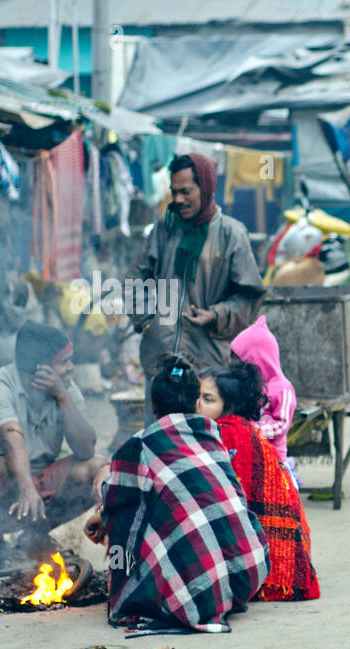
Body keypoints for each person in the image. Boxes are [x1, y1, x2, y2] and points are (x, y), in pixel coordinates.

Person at [93, 355, 268, 633]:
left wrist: (104, 511)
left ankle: (129, 598)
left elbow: (121, 513)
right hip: (248, 573)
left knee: (121, 511)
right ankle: (216, 588)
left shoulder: (138, 446)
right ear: (197, 403)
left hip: (197, 597)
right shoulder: (213, 437)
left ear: (152, 406)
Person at [0, 322, 103, 569]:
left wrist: (63, 398)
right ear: (40, 369)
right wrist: (26, 488)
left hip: (31, 485)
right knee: (4, 465)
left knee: (95, 467)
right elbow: (12, 443)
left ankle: (33, 536)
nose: (71, 367)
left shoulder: (65, 390)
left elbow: (86, 449)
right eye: (64, 361)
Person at [126, 153, 265, 424]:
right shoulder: (164, 228)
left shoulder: (231, 234)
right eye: (174, 192)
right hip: (161, 360)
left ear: (207, 187)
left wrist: (214, 314)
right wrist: (145, 318)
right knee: (160, 440)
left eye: (186, 191)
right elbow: (135, 277)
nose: (178, 199)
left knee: (204, 442)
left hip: (208, 364)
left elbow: (249, 296)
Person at [197, 363, 320, 602]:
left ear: (229, 405)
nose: (199, 404)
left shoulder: (229, 433)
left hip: (268, 558)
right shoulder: (234, 428)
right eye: (198, 397)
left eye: (208, 399)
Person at [229, 313, 297, 472]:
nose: (236, 367)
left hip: (274, 462)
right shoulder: (246, 386)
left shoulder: (283, 389)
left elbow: (281, 424)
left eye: (241, 361)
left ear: (259, 360)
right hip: (248, 458)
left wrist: (252, 430)